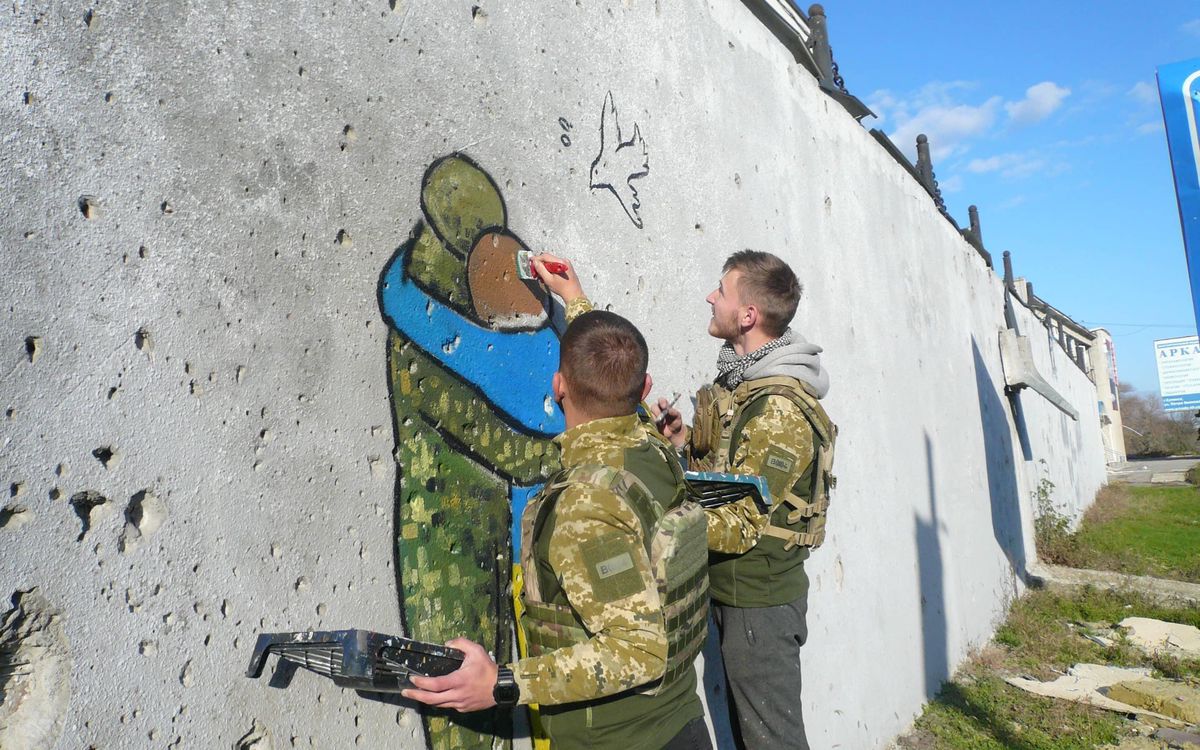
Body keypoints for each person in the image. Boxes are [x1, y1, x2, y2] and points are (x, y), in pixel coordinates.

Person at [531, 251, 834, 750]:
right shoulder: (743, 376)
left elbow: (742, 524)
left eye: (722, 290)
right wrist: (685, 440)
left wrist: (649, 522)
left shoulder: (779, 410)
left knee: (770, 738)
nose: (711, 297)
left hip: (757, 600)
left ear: (748, 315)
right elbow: (609, 370)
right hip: (729, 590)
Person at [403, 309, 712, 750]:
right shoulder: (656, 452)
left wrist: (500, 683)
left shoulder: (589, 506)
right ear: (644, 390)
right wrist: (574, 299)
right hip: (681, 724)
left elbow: (637, 650)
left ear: (558, 386)